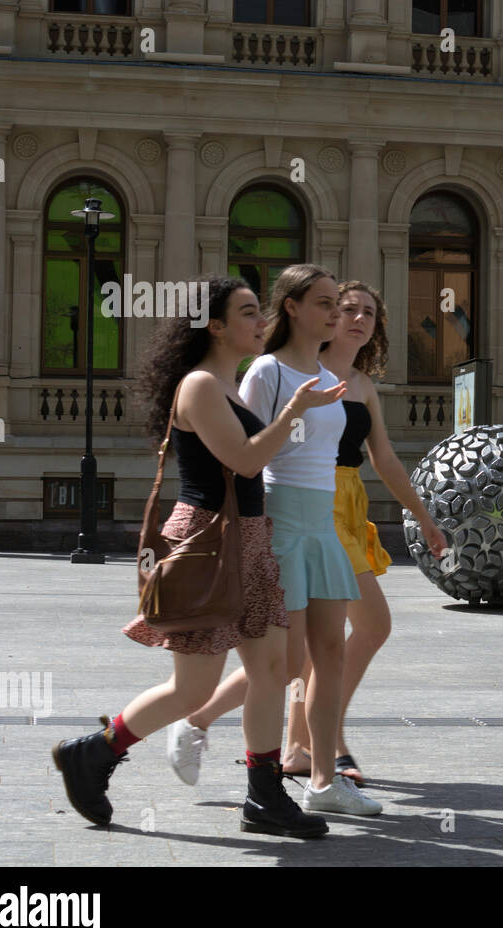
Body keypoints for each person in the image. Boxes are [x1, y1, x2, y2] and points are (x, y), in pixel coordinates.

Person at [51, 275, 344, 838]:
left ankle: (263, 797)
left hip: (250, 535)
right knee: (195, 688)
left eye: (260, 312)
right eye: (249, 312)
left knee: (274, 670)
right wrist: (293, 412)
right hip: (208, 540)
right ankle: (96, 752)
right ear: (215, 325)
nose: (262, 322)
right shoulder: (200, 386)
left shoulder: (228, 385)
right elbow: (245, 461)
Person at [167, 264, 381, 817]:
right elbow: (246, 453)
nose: (339, 312)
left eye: (342, 303)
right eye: (327, 302)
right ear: (291, 306)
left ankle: (323, 782)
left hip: (322, 524)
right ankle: (197, 723)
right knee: (283, 664)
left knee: (328, 655)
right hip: (280, 518)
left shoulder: (327, 374)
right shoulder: (266, 371)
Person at [280, 280, 446, 782]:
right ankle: (318, 739)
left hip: (350, 504)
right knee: (371, 625)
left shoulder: (364, 385)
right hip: (314, 502)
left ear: (376, 327)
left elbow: (386, 459)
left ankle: (300, 745)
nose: (356, 318)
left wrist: (422, 515)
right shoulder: (300, 371)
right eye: (346, 308)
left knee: (319, 644)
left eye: (367, 312)